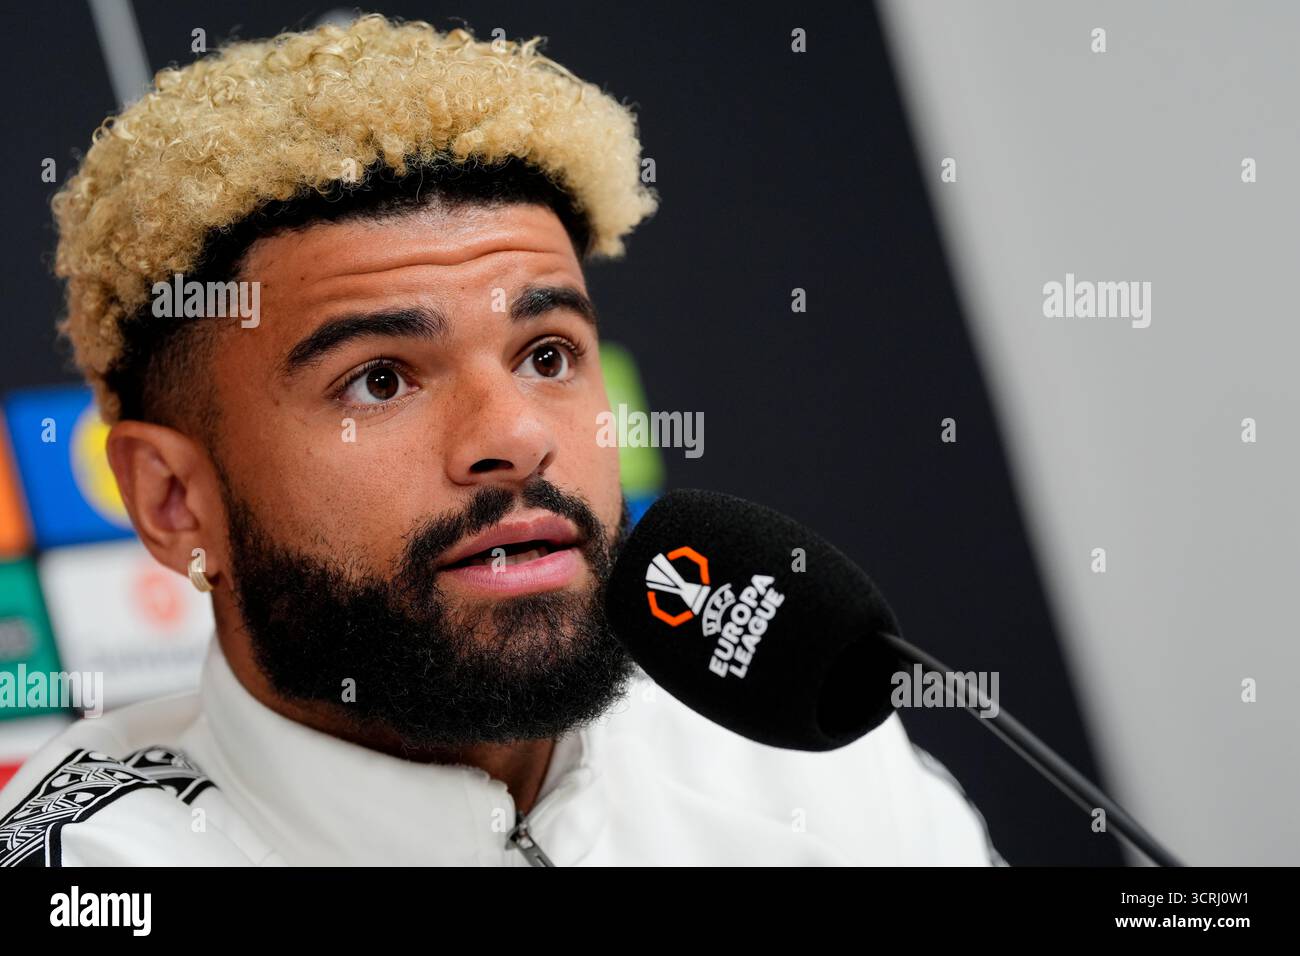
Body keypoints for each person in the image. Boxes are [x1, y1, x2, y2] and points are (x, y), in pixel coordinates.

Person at [0, 14, 1000, 865]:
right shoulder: (93, 865)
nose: (516, 437)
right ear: (175, 500)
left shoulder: (790, 756)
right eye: (379, 378)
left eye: (548, 355)